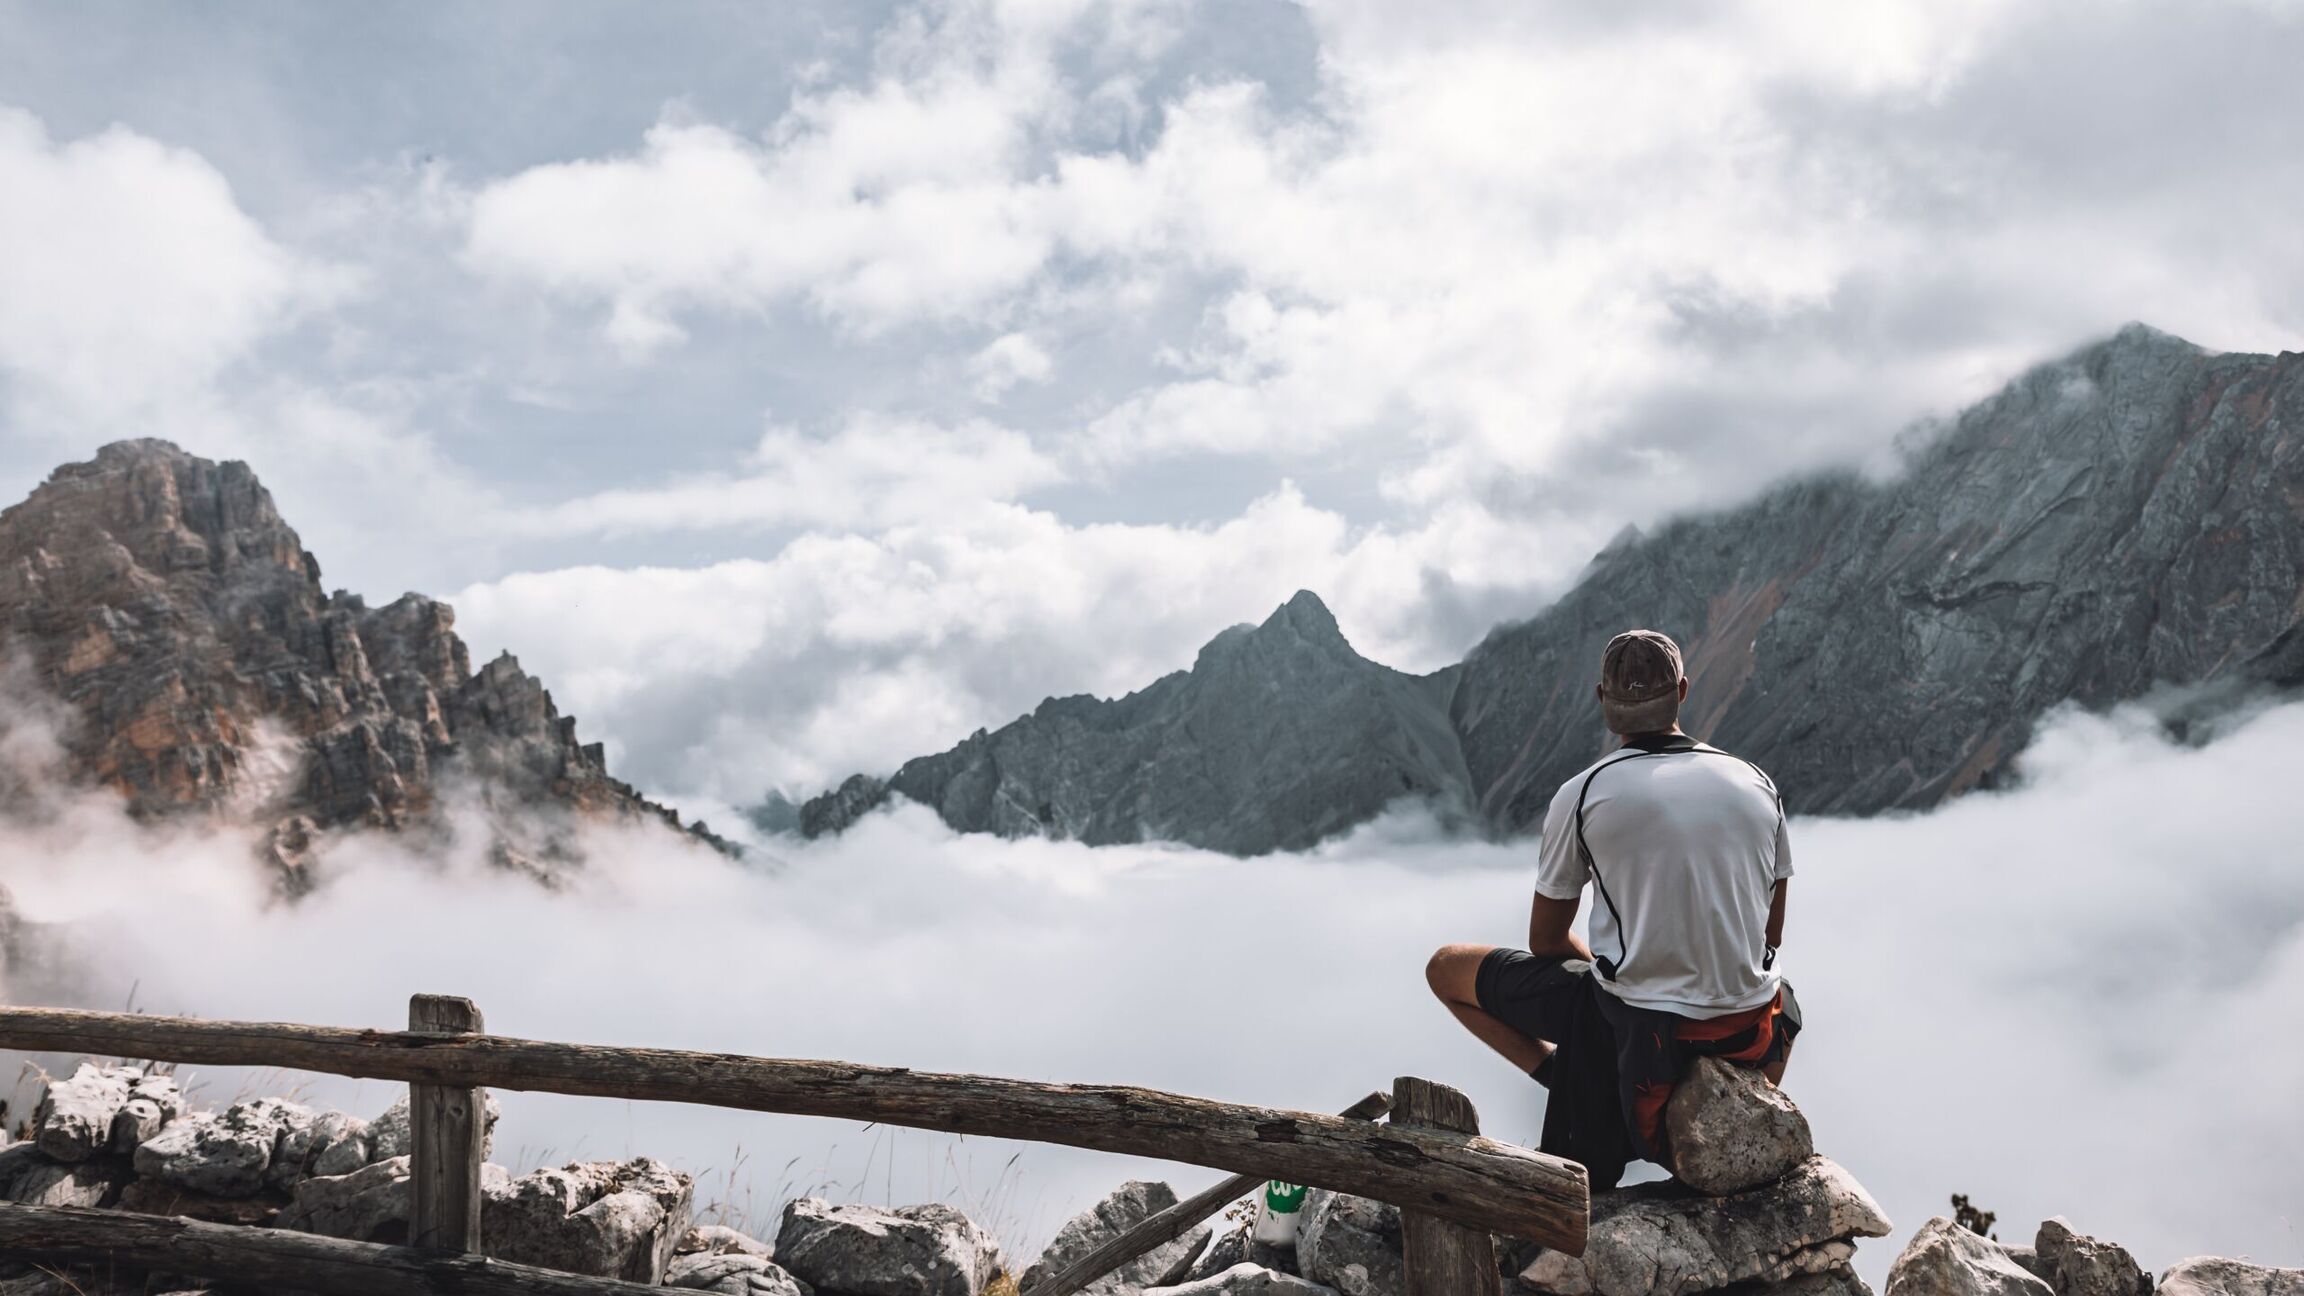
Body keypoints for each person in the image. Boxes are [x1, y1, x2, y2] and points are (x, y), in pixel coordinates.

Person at [1424, 628, 1800, 1187]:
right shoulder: (1756, 782)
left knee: (1447, 969)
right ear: (1683, 690)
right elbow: (1771, 932)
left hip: (1644, 1024)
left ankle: (1562, 1075)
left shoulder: (1584, 793)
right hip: (1750, 1021)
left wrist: (1615, 966)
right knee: (1775, 987)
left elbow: (1545, 941)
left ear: (1603, 699)